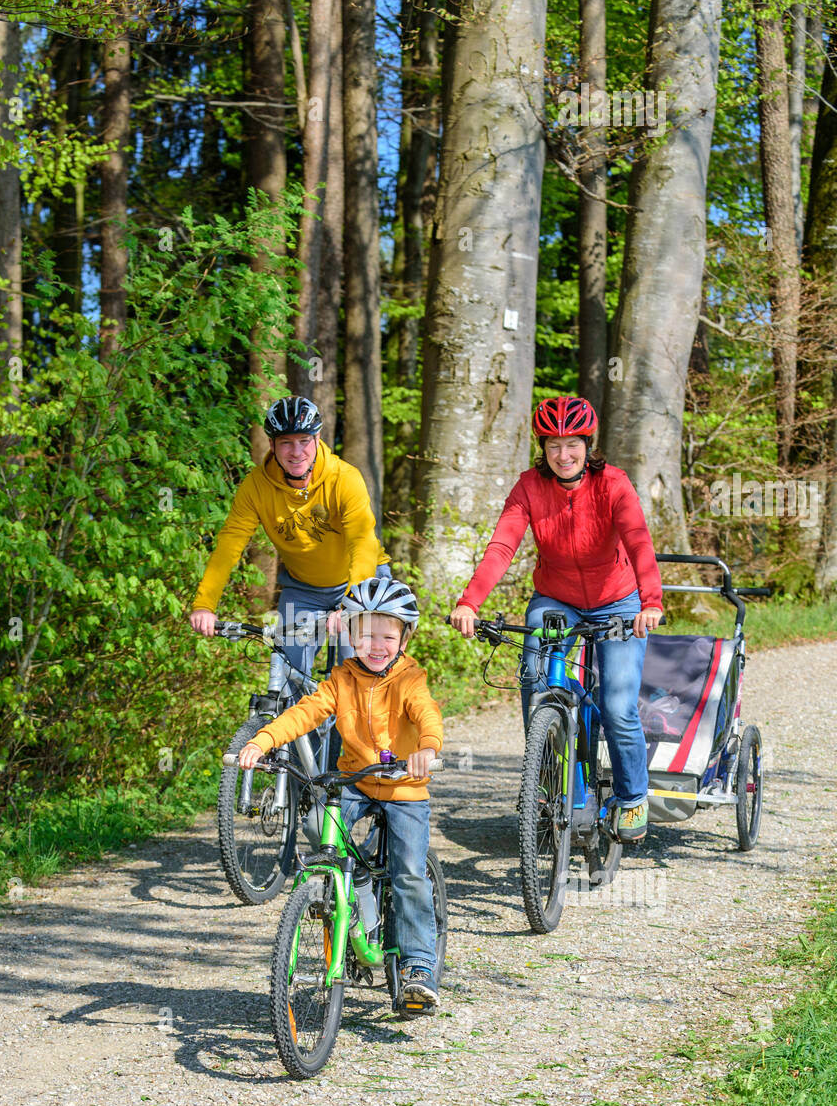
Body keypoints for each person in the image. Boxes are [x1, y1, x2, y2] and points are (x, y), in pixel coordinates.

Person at [449, 395, 664, 842]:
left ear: (587, 445)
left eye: (572, 445)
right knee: (535, 678)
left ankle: (632, 797)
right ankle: (547, 773)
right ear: (542, 449)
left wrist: (650, 602)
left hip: (618, 601)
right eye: (553, 446)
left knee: (618, 706)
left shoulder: (614, 484)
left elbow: (639, 542)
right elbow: (503, 547)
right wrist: (470, 601)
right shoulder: (529, 487)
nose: (563, 455)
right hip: (556, 598)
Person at [238, 577, 445, 1007]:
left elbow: (426, 713)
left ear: (404, 638)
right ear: (350, 633)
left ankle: (419, 963)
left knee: (408, 872)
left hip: (404, 786)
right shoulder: (341, 678)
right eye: (365, 632)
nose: (376, 644)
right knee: (317, 826)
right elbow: (306, 712)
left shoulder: (410, 678)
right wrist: (263, 741)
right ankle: (357, 887)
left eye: (387, 635)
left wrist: (428, 748)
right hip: (355, 780)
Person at [188, 396, 391, 682]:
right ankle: (298, 724)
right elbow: (230, 543)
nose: (296, 452)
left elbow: (363, 543)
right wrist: (204, 604)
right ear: (272, 445)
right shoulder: (256, 486)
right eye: (285, 442)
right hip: (305, 589)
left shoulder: (345, 478)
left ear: (317, 438)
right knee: (288, 678)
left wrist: (351, 603)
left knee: (358, 675)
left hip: (359, 583)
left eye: (304, 441)